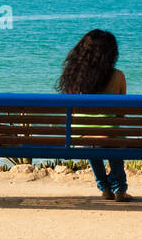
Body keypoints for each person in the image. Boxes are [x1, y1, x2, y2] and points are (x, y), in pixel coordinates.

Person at [55, 29, 131, 202]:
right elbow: (122, 113)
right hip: (110, 138)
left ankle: (104, 187)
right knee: (112, 133)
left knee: (91, 138)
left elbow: (71, 111)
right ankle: (119, 189)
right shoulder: (118, 76)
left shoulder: (73, 79)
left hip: (80, 139)